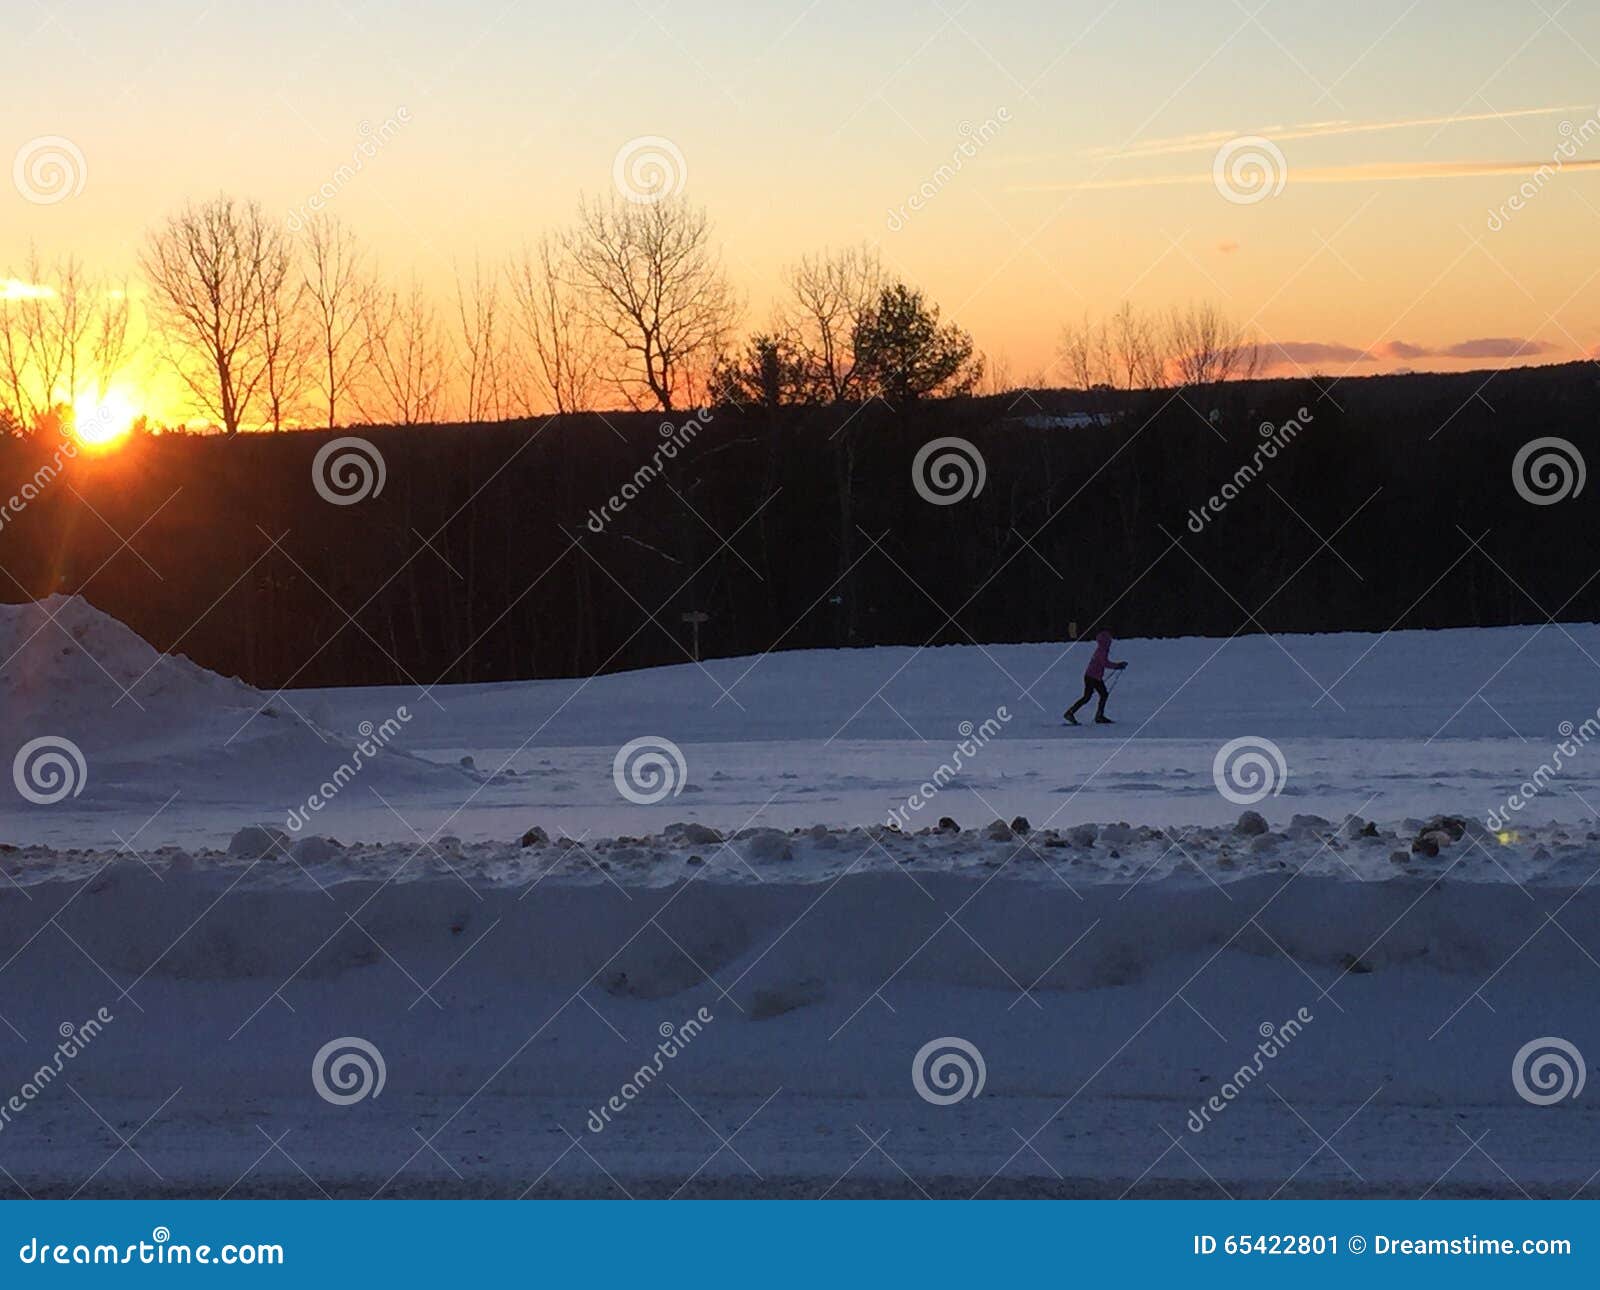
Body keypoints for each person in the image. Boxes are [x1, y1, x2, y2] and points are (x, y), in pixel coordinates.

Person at [1064, 629, 1126, 724]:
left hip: (1094, 677)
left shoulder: (1101, 650)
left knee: (1100, 695)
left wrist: (1117, 665)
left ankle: (1097, 715)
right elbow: (1104, 663)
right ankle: (1072, 713)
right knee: (1089, 697)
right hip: (1092, 677)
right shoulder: (1101, 651)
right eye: (1109, 641)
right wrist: (1117, 666)